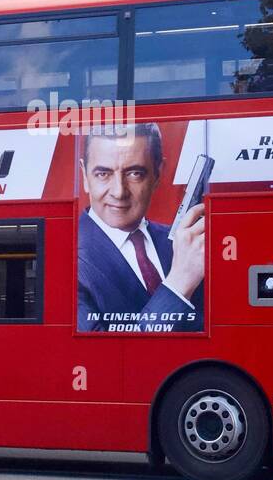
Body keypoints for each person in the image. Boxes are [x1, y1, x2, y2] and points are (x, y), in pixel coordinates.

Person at [77, 123, 205, 333]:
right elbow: (102, 357)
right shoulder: (63, 257)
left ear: (158, 173)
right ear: (84, 176)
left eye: (135, 173)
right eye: (103, 174)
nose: (119, 192)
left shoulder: (182, 242)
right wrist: (180, 282)